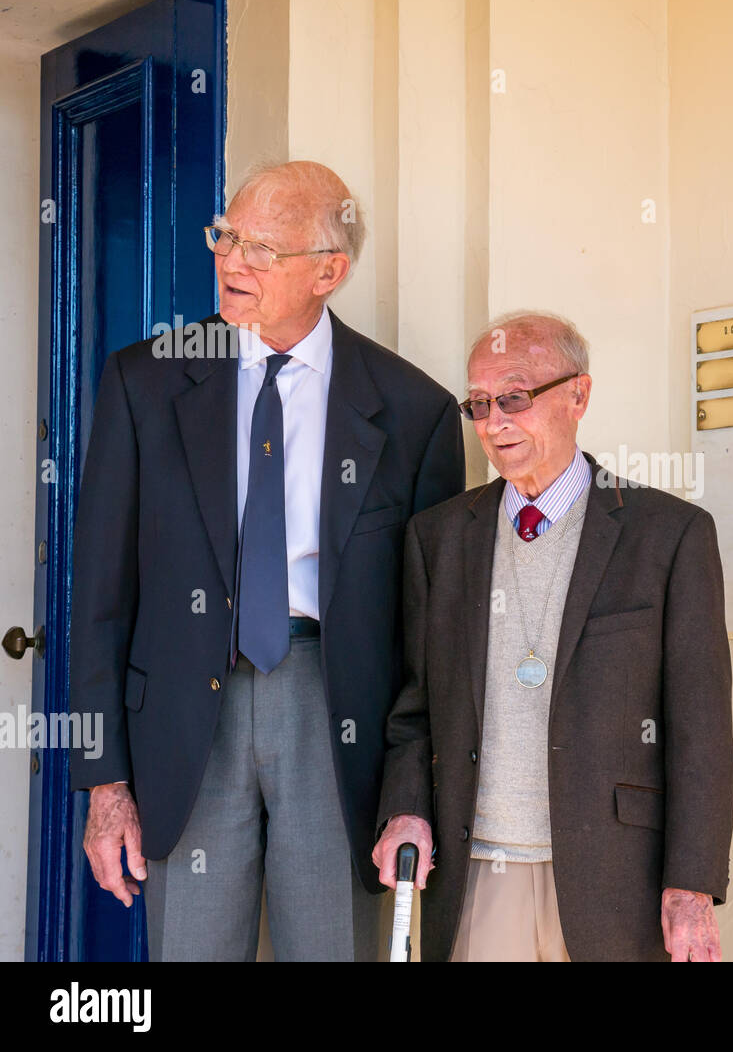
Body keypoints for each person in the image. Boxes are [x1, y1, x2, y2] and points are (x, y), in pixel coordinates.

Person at [70, 161, 465, 961]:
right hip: (184, 715)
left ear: (330, 271)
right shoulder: (144, 380)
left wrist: (410, 789)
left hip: (335, 714)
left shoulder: (416, 411)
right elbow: (101, 596)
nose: (230, 261)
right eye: (225, 236)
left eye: (260, 248)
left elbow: (433, 638)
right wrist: (105, 784)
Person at [373, 312, 733, 961]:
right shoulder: (440, 539)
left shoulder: (669, 535)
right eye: (479, 404)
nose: (494, 423)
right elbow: (415, 709)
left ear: (579, 395)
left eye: (514, 397)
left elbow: (701, 730)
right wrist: (405, 810)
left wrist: (693, 884)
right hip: (480, 875)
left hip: (616, 880)